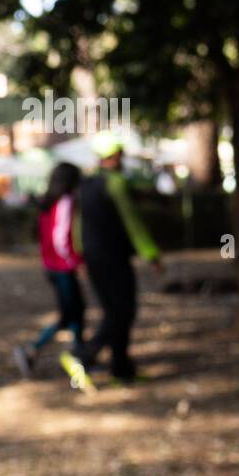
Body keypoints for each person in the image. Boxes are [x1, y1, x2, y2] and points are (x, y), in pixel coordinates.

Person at [62, 131, 162, 388]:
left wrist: (80, 255)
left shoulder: (86, 185)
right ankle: (83, 356)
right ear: (116, 155)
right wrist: (150, 253)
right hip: (114, 258)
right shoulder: (116, 183)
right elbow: (133, 223)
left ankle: (121, 369)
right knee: (123, 311)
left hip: (94, 259)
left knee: (115, 311)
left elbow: (77, 224)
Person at [14, 162, 85, 377]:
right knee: (70, 314)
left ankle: (80, 355)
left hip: (52, 266)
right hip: (63, 267)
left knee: (75, 312)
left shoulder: (47, 203)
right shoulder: (65, 202)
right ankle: (33, 350)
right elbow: (60, 238)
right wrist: (75, 261)